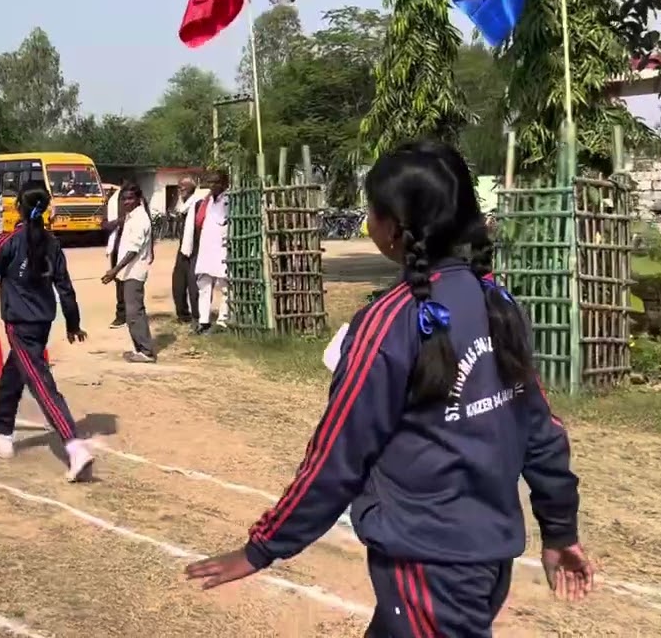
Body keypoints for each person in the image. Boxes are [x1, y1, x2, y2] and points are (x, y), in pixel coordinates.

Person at [185, 140, 592, 635]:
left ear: (394, 228)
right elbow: (544, 430)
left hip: (428, 567)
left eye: (371, 210)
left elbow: (337, 456)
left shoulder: (389, 325)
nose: (367, 221)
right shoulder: (496, 301)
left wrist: (262, 548)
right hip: (481, 563)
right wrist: (559, 529)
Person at [0, 181, 95, 482]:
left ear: (18, 209)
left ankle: (74, 445)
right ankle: (2, 435)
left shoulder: (8, 243)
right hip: (42, 323)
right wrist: (73, 323)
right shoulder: (52, 244)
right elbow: (65, 289)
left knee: (41, 384)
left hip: (21, 325)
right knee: (13, 376)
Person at [102, 183, 156, 363]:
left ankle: (146, 351)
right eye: (124, 199)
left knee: (134, 312)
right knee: (131, 313)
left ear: (138, 199)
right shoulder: (130, 217)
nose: (127, 202)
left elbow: (133, 249)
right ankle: (140, 349)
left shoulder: (140, 219)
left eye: (130, 198)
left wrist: (114, 270)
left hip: (134, 271)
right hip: (127, 272)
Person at [194, 171, 230, 334]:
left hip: (222, 248)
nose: (212, 186)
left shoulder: (229, 200)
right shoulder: (208, 201)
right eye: (210, 182)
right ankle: (204, 321)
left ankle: (223, 320)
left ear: (224, 183)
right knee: (203, 285)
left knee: (224, 286)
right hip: (207, 248)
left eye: (216, 182)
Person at [172, 176, 209, 324]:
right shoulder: (183, 206)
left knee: (194, 286)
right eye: (179, 187)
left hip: (196, 249)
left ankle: (197, 316)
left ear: (191, 188)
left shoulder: (198, 203)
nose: (181, 190)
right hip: (183, 249)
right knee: (178, 284)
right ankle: (183, 315)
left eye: (183, 187)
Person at [102, 183, 128, 328]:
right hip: (117, 247)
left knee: (132, 281)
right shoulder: (112, 201)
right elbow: (104, 225)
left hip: (134, 247)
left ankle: (132, 314)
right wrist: (119, 221)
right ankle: (121, 315)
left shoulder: (140, 201)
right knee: (119, 281)